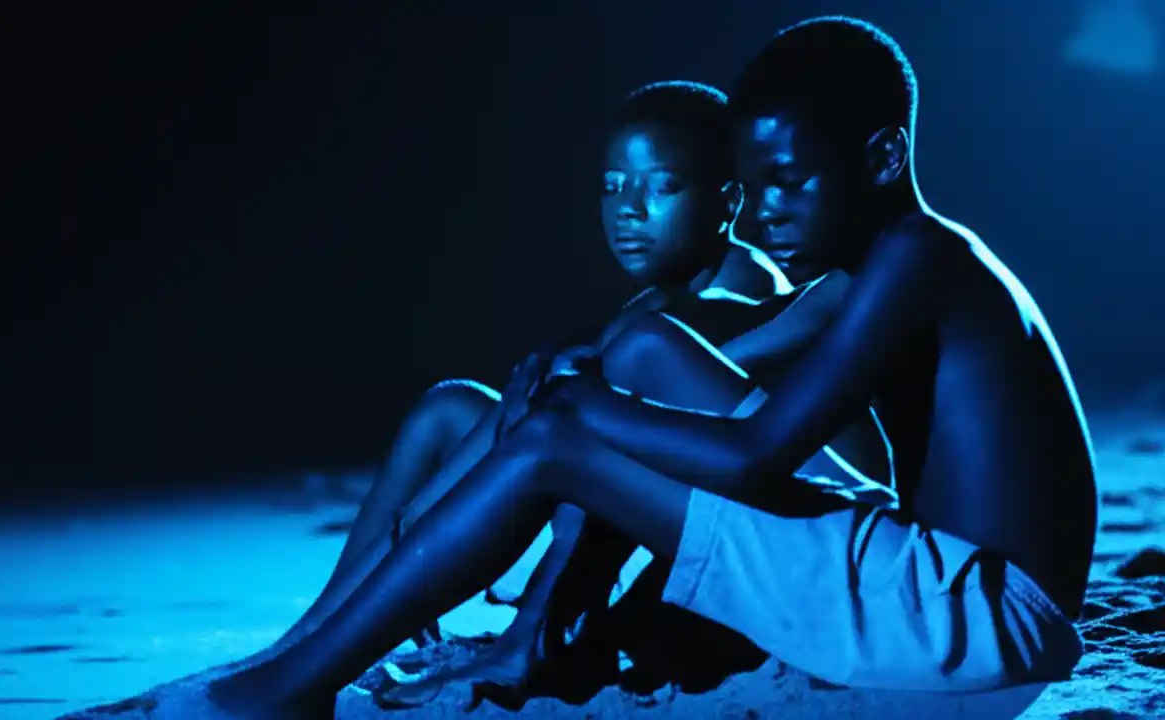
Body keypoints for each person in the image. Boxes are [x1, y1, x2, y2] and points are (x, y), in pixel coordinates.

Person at [197, 16, 1095, 717]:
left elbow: (755, 454)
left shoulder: (915, 256)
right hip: (945, 585)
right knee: (585, 402)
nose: (767, 209)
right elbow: (713, 348)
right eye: (753, 183)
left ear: (884, 157)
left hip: (979, 618)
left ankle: (305, 684)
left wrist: (587, 408)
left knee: (559, 440)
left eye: (791, 181)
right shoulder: (887, 265)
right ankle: (414, 641)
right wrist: (594, 377)